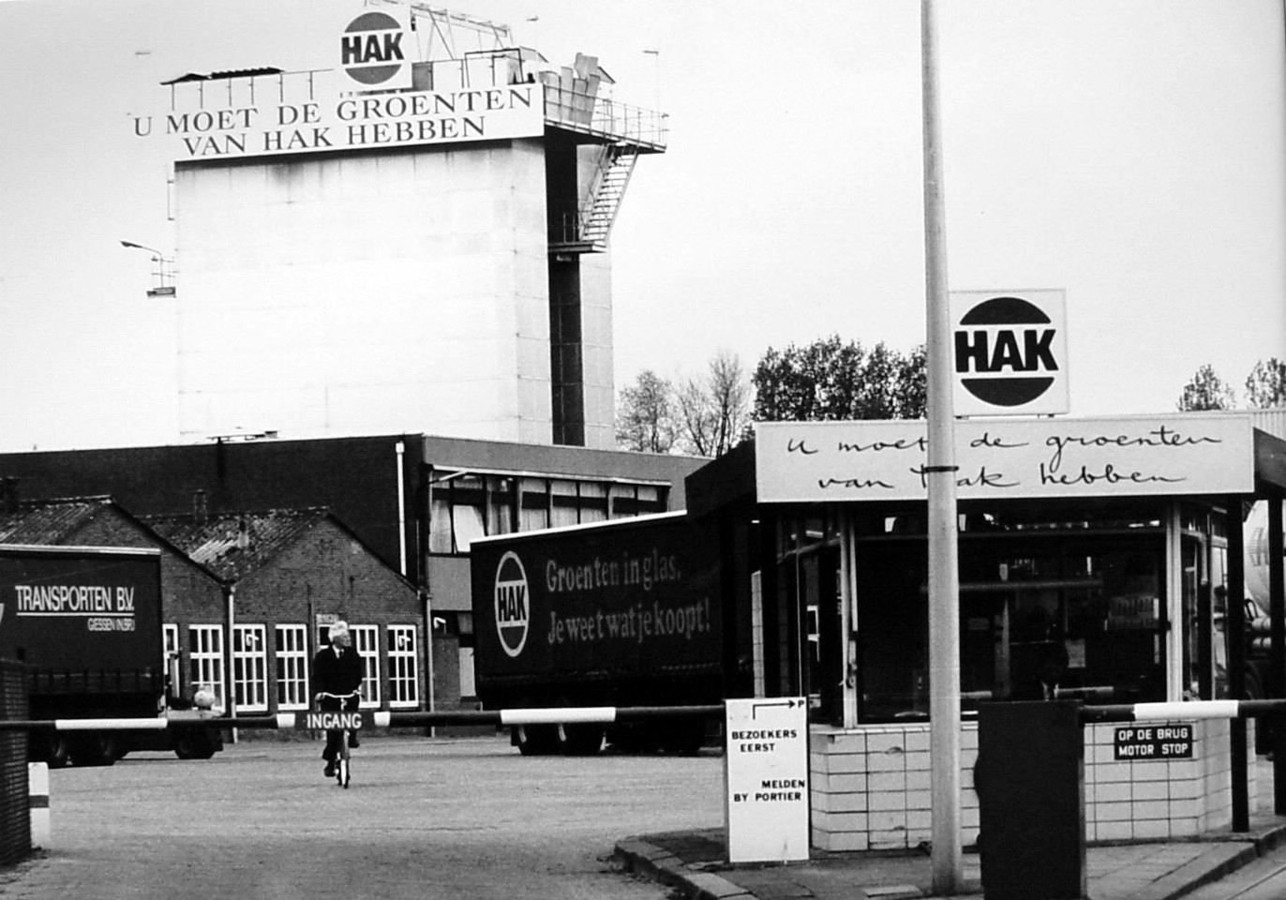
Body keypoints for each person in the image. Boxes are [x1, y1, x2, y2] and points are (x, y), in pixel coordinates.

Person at [313, 620, 364, 778]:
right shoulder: (323, 656)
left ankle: (353, 736)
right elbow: (317, 676)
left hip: (348, 694)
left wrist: (357, 688)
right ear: (335, 639)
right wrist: (320, 692)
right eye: (344, 636)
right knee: (333, 731)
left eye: (348, 636)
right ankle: (330, 761)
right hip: (330, 696)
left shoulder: (352, 654)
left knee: (353, 713)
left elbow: (358, 674)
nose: (348, 639)